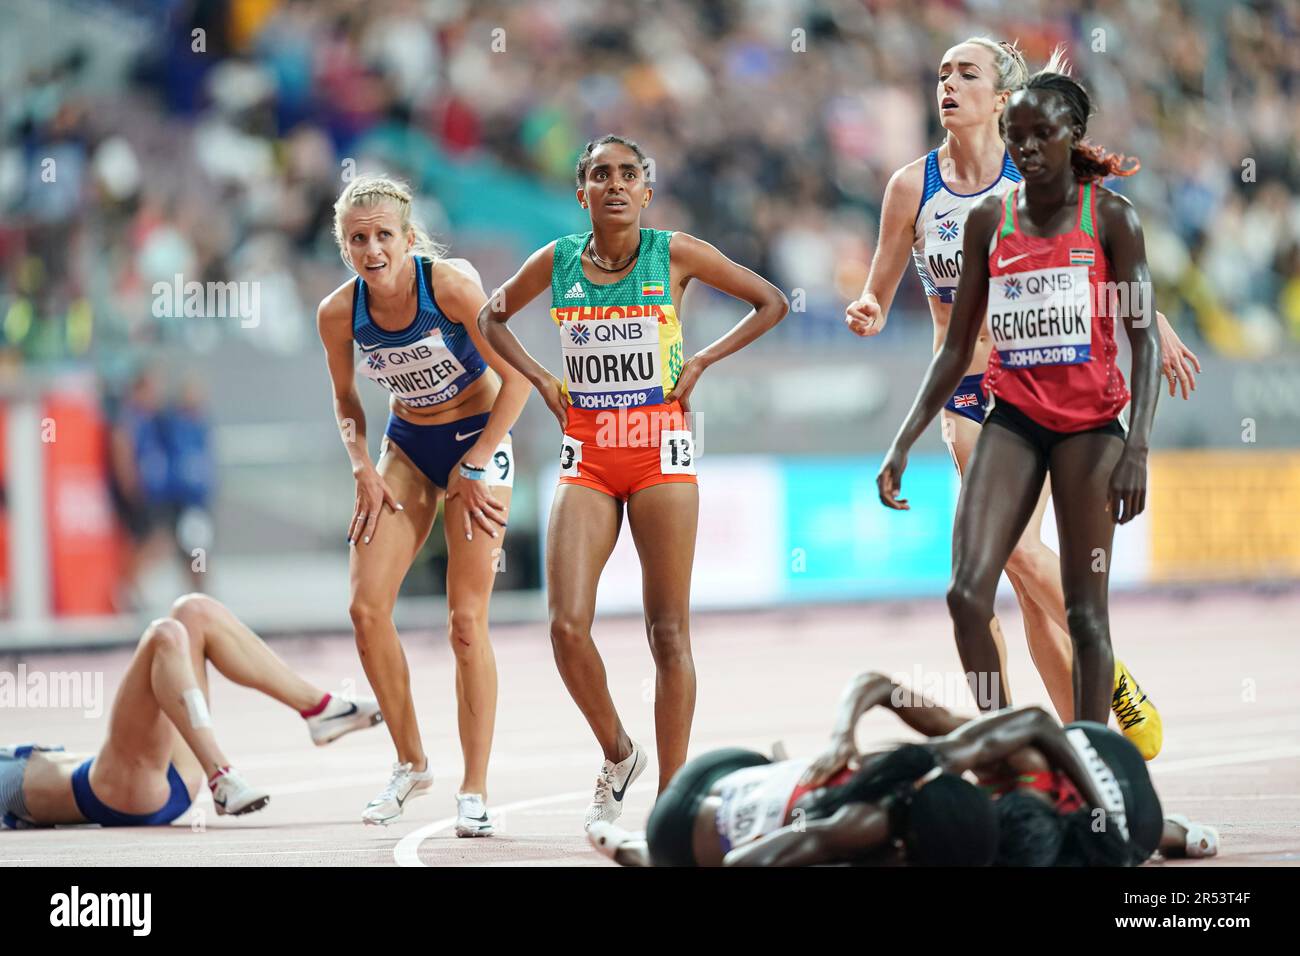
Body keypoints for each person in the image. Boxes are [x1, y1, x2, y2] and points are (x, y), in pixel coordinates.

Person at [846, 39, 1200, 758]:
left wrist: (1154, 322)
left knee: (1021, 568)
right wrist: (867, 310)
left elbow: (1096, 251)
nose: (947, 83)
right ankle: (1057, 716)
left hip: (1039, 382)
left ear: (1000, 98)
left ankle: (1081, 748)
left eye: (965, 73)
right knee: (1009, 556)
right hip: (969, 393)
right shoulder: (911, 187)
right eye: (941, 72)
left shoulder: (1028, 166)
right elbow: (878, 290)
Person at [479, 135, 789, 829]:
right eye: (599, 175)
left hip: (660, 452)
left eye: (628, 174)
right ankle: (619, 752)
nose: (614, 184)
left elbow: (770, 302)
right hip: (587, 452)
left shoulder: (673, 252)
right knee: (564, 626)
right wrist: (537, 379)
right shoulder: (556, 261)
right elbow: (488, 317)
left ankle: (672, 804)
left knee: (668, 633)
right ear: (580, 191)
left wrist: (703, 359)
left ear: (647, 191)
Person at [317, 175, 531, 829]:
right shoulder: (337, 312)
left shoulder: (451, 287)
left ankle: (475, 790)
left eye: (384, 235)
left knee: (465, 621)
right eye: (359, 238)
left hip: (478, 434)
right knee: (364, 607)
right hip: (406, 445)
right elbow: (347, 398)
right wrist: (360, 465)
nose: (372, 249)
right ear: (344, 246)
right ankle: (411, 763)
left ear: (409, 239)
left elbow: (520, 376)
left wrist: (475, 458)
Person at [588, 672, 1218, 867]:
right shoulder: (966, 753)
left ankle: (637, 847)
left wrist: (1160, 837)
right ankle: (641, 849)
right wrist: (842, 734)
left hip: (754, 785)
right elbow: (881, 686)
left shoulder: (1040, 833)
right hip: (720, 791)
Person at [1, 594, 382, 829]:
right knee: (163, 635)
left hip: (167, 772)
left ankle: (319, 709)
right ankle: (222, 775)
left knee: (192, 611)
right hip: (119, 790)